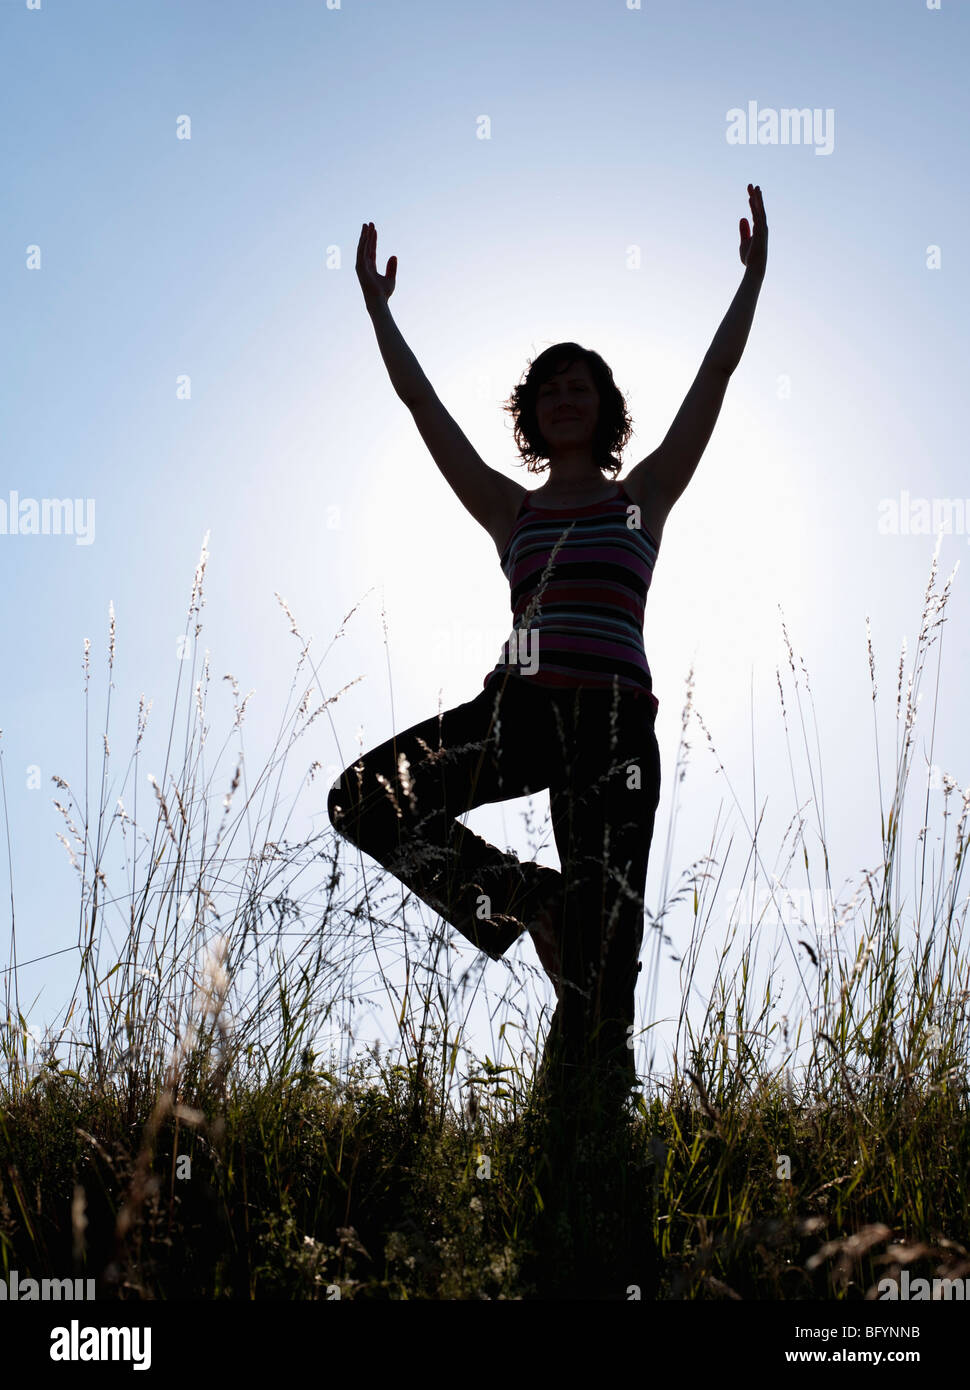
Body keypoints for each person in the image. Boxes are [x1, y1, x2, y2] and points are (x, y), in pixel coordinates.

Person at [328, 189, 768, 1114]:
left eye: (583, 386)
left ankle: (585, 1139)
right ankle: (531, 898)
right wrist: (378, 311)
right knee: (365, 801)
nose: (566, 397)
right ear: (530, 412)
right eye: (550, 387)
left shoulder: (641, 499)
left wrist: (752, 280)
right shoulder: (511, 511)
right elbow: (421, 406)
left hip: (614, 730)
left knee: (605, 970)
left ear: (606, 410)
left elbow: (715, 381)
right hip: (517, 713)